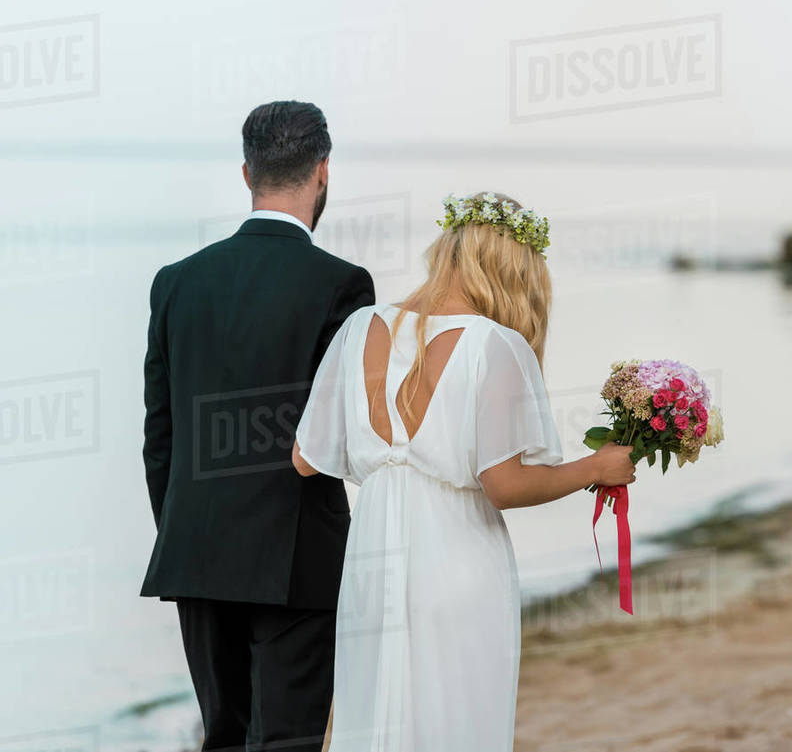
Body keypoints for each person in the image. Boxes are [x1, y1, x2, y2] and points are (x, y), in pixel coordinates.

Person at [293, 192, 635, 751]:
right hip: (456, 559)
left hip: (372, 562)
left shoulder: (359, 328)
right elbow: (505, 486)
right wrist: (598, 466)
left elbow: (306, 459)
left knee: (376, 711)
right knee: (455, 720)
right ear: (512, 272)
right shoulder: (494, 344)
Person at [140, 101, 374, 751]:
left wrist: (188, 531)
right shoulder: (342, 285)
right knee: (289, 740)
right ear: (322, 172)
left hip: (198, 559)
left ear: (248, 173)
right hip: (296, 563)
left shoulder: (176, 283)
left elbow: (159, 441)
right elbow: (344, 435)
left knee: (223, 738)